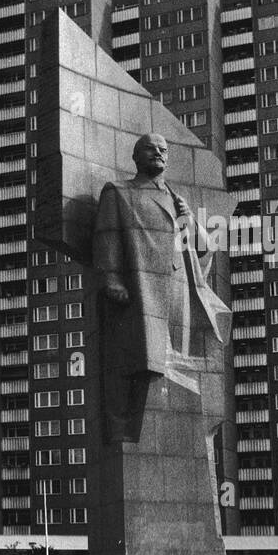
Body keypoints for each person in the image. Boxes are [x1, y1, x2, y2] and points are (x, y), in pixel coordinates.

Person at [92, 133, 230, 443]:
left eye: (163, 149)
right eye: (150, 148)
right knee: (143, 364)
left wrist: (189, 218)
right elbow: (106, 237)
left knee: (177, 360)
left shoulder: (174, 197)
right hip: (144, 288)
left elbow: (205, 249)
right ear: (136, 157)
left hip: (179, 285)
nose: (158, 153)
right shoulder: (119, 192)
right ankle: (128, 427)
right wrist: (111, 278)